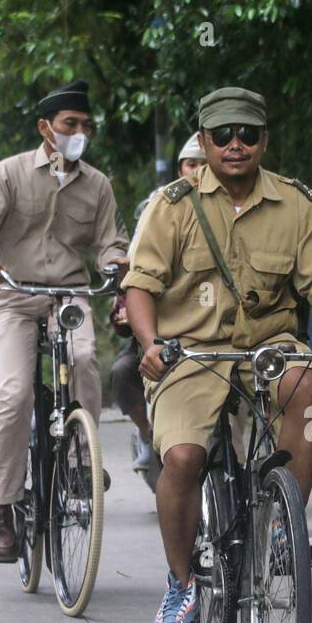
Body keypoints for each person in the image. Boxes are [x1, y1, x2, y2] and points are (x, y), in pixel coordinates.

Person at [122, 86, 312, 623]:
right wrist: (150, 343)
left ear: (264, 140)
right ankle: (181, 583)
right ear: (203, 141)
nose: (235, 145)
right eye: (222, 135)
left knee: (307, 381)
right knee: (181, 457)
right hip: (190, 353)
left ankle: (279, 530)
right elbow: (140, 285)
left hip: (268, 350)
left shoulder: (295, 204)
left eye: (247, 134)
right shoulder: (172, 206)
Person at [0, 79, 130, 563]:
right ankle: (1, 507)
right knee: (15, 392)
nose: (78, 133)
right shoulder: (10, 173)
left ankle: (80, 464)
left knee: (84, 360)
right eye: (69, 125)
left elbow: (111, 241)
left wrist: (116, 264)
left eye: (84, 126)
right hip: (14, 297)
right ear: (46, 128)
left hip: (69, 296)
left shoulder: (98, 184)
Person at [109, 131, 207, 474]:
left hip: (217, 326)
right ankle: (150, 433)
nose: (196, 171)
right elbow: (137, 272)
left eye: (202, 163)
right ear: (180, 168)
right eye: (190, 164)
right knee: (125, 371)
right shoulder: (161, 206)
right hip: (165, 321)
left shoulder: (232, 204)